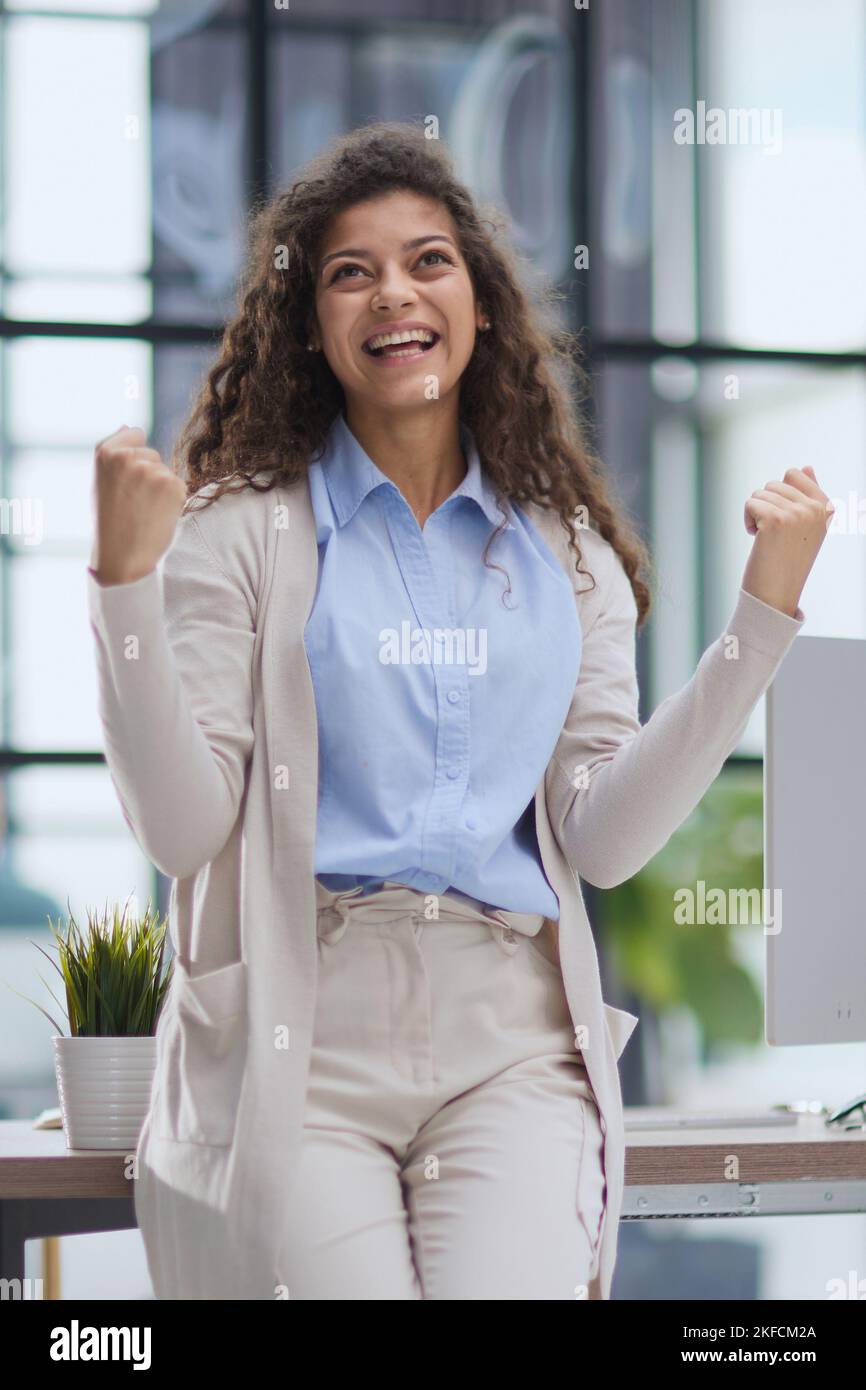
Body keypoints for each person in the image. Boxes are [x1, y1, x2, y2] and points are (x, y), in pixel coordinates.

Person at [87, 121, 829, 1300]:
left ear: (478, 303)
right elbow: (182, 831)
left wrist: (759, 623)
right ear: (312, 324)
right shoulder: (235, 531)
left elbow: (599, 836)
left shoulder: (567, 555)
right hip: (301, 1044)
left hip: (509, 1047)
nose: (393, 291)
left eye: (427, 259)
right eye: (349, 271)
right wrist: (123, 591)